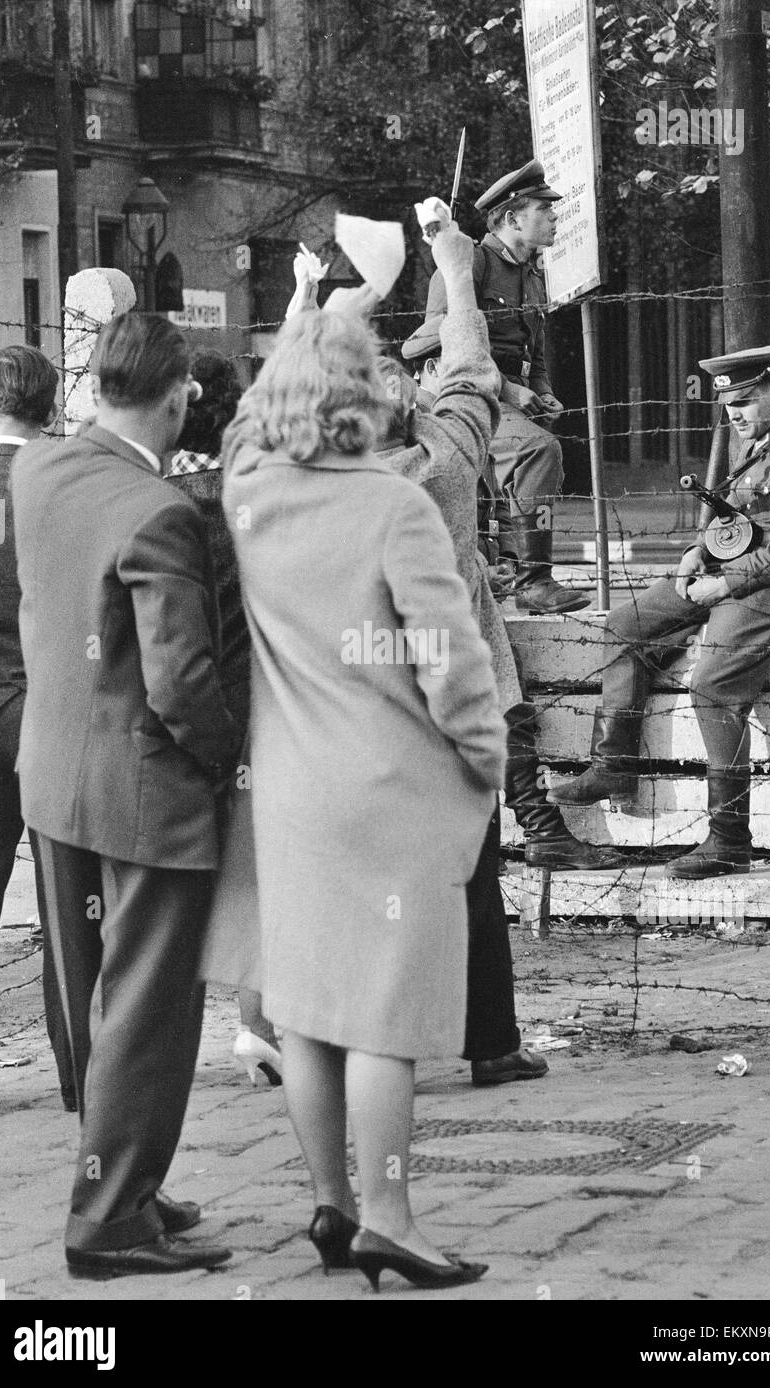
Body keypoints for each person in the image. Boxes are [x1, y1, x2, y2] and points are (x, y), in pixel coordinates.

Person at [211, 278, 507, 1291]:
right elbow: (451, 665)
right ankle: (390, 1214)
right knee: (383, 1015)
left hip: (288, 792)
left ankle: (330, 1204)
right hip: (387, 788)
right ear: (365, 396)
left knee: (308, 1008)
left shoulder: (246, 492)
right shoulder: (396, 506)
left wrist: (303, 323)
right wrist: (484, 760)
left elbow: (253, 420)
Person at [11, 312, 238, 1277]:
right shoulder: (161, 510)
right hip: (145, 792)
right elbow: (182, 682)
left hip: (55, 776)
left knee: (98, 1009)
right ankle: (108, 1220)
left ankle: (124, 1180)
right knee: (147, 1010)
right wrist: (230, 761)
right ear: (180, 393)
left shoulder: (40, 469)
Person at [381, 232, 621, 1085]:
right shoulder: (443, 465)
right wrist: (451, 266)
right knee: (473, 875)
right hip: (460, 702)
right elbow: (472, 371)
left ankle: (384, 1045)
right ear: (410, 404)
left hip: (366, 714)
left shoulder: (306, 479)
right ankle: (488, 1041)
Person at [549, 346, 770, 879]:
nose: (736, 414)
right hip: (731, 572)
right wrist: (697, 550)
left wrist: (723, 586)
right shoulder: (754, 447)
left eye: (745, 401)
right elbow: (735, 517)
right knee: (626, 626)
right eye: (729, 405)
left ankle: (727, 840)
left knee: (713, 685)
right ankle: (614, 766)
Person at [0, 346, 75, 1113]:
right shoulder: (67, 484)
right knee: (71, 899)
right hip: (60, 711)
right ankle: (80, 1074)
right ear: (52, 409)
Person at [165, 349, 281, 1086]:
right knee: (261, 873)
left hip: (183, 700)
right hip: (259, 699)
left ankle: (169, 1034)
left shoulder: (157, 496)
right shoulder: (256, 493)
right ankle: (259, 1024)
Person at [423, 159, 590, 615]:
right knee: (541, 450)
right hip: (463, 399)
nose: (555, 216)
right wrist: (508, 391)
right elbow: (427, 347)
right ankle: (534, 581)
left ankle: (509, 568)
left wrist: (542, 388)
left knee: (539, 454)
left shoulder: (532, 276)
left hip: (504, 400)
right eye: (544, 208)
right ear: (513, 218)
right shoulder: (468, 263)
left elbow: (531, 354)